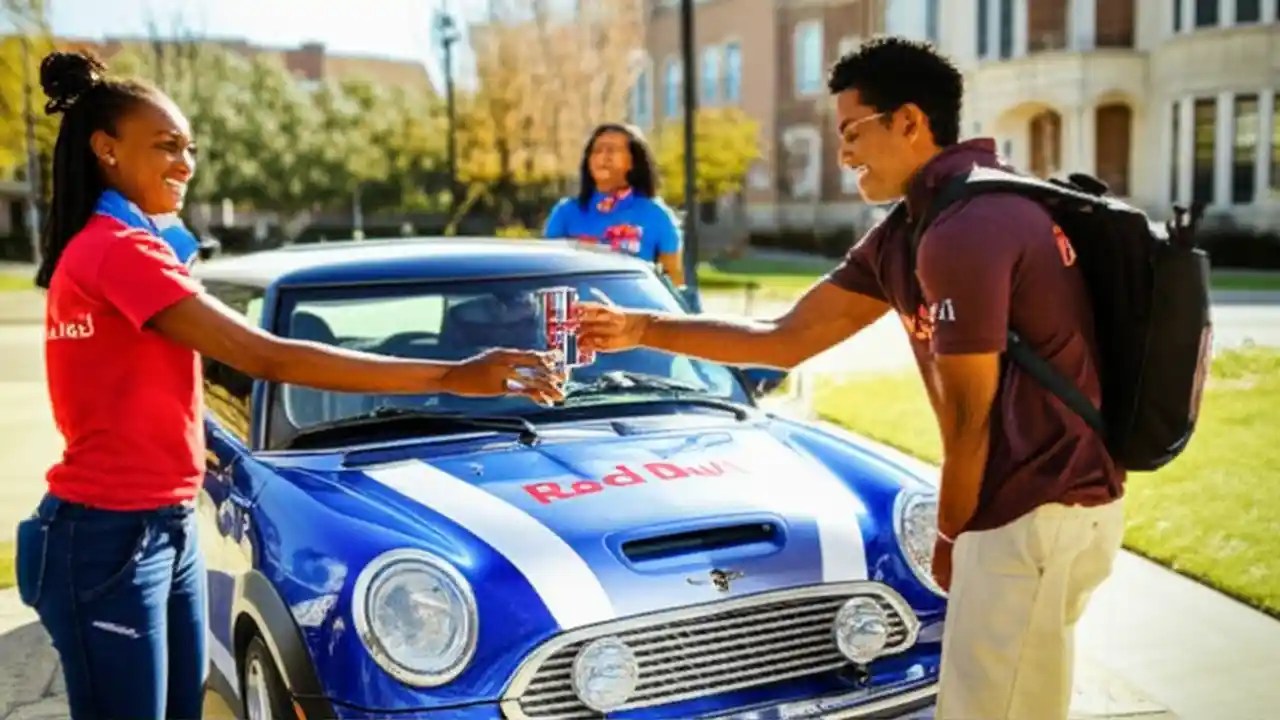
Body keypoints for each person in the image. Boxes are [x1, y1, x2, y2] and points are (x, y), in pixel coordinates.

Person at [576, 37, 1125, 720]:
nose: (843, 153)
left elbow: (970, 415)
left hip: (1031, 510)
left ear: (910, 122)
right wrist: (642, 329)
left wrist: (950, 535)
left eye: (851, 130)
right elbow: (785, 340)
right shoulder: (910, 231)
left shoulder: (969, 226)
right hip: (1043, 507)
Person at [14, 50, 561, 720]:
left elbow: (156, 380)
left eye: (189, 147)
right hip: (108, 537)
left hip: (165, 524)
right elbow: (264, 356)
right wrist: (451, 375)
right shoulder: (118, 250)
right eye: (164, 147)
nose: (185, 164)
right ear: (106, 149)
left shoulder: (128, 244)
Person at [543, 122, 686, 286]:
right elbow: (548, 273)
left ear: (633, 161)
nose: (604, 157)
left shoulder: (656, 215)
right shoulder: (565, 212)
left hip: (632, 309)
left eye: (612, 150)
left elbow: (674, 282)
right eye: (597, 151)